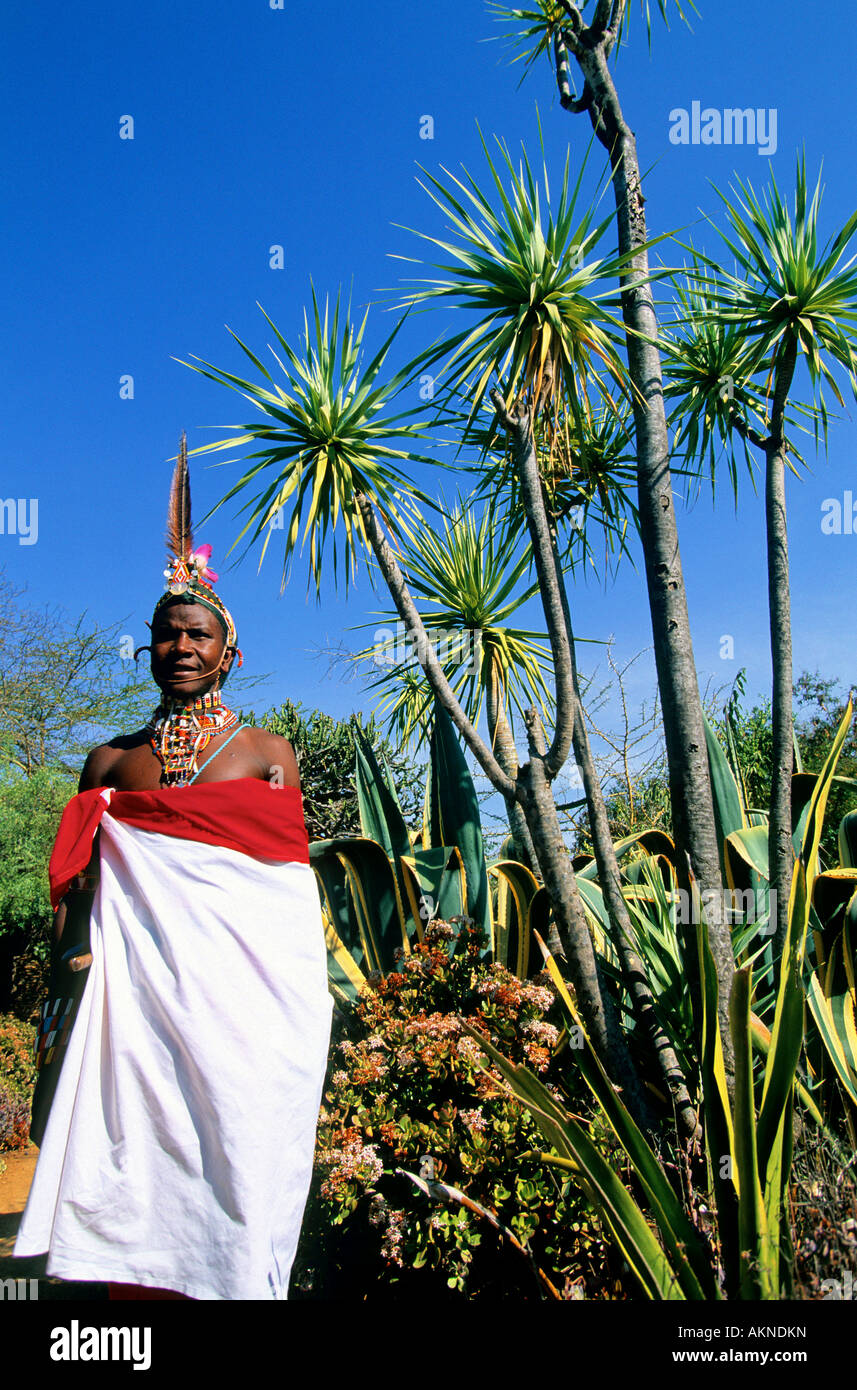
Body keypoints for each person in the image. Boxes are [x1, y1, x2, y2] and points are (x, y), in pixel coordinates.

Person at [14, 438, 333, 1300]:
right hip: (134, 1015)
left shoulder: (267, 754)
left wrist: (296, 1005)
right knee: (137, 1170)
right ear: (148, 651)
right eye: (167, 635)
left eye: (198, 635)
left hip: (242, 1014)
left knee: (235, 1163)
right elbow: (78, 892)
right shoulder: (108, 763)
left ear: (228, 654)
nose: (182, 646)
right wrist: (70, 974)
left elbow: (282, 900)